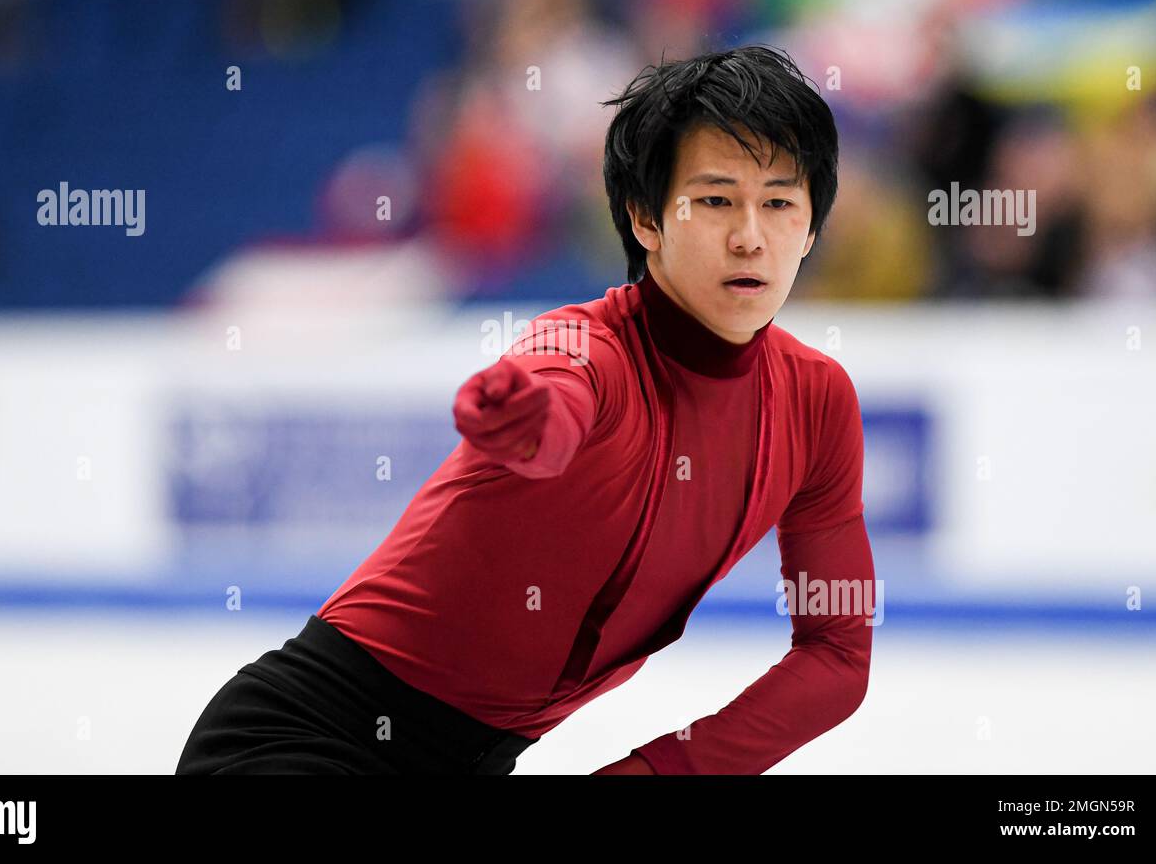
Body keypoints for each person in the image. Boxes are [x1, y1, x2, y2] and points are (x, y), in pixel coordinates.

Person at [176, 44, 874, 775]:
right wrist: (528, 419)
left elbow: (838, 654)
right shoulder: (584, 347)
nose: (750, 236)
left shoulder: (818, 403)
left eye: (779, 203)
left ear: (811, 227)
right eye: (716, 200)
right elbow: (559, 391)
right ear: (645, 217)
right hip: (305, 736)